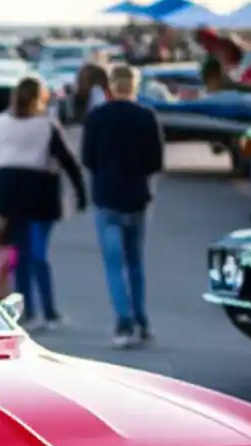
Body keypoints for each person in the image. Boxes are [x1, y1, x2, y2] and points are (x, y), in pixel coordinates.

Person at [0, 74, 87, 329]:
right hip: (40, 194)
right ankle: (49, 312)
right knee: (38, 254)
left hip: (8, 194)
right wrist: (81, 194)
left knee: (20, 256)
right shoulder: (46, 125)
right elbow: (68, 161)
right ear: (40, 98)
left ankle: (26, 311)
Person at [82, 65, 164, 347]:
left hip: (107, 195)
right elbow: (155, 162)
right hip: (136, 196)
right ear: (134, 86)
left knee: (113, 264)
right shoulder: (146, 116)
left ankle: (123, 321)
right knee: (135, 262)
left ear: (111, 86)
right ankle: (141, 319)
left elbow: (88, 158)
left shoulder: (97, 117)